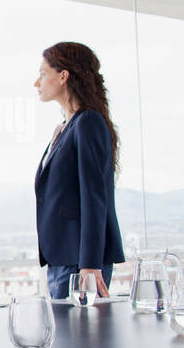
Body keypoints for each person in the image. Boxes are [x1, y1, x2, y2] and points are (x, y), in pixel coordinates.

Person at [33, 41, 125, 299]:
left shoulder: (88, 122)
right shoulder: (66, 127)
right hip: (63, 256)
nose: (36, 83)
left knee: (80, 337)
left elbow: (95, 197)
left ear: (63, 76)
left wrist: (90, 264)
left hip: (80, 262)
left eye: (42, 74)